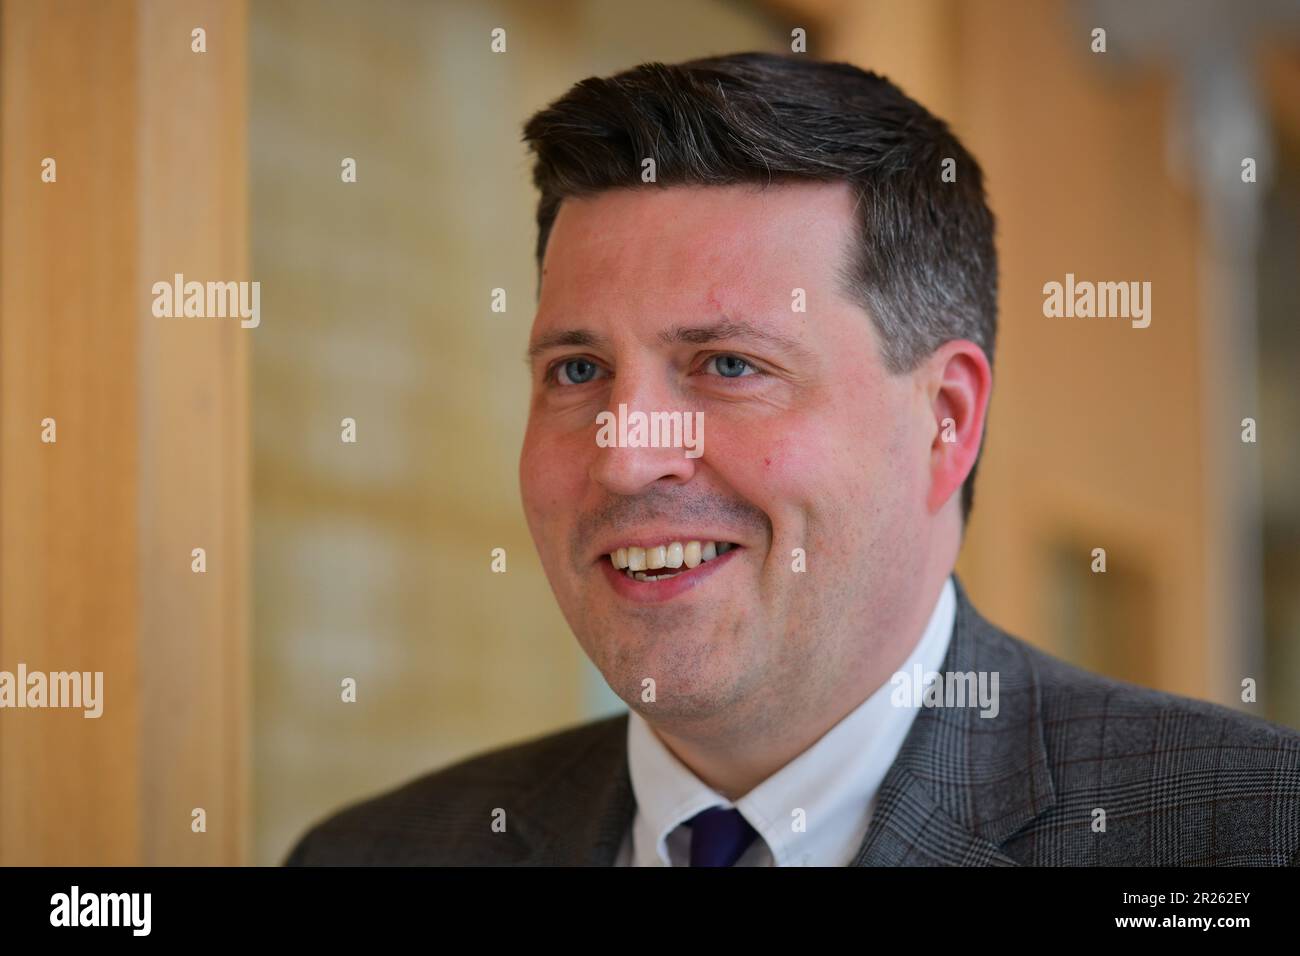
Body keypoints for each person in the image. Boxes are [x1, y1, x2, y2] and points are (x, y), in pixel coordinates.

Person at [285, 52, 1300, 866]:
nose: (627, 459)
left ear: (944, 420)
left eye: (727, 363)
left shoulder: (1248, 830)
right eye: (577, 367)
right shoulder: (378, 851)